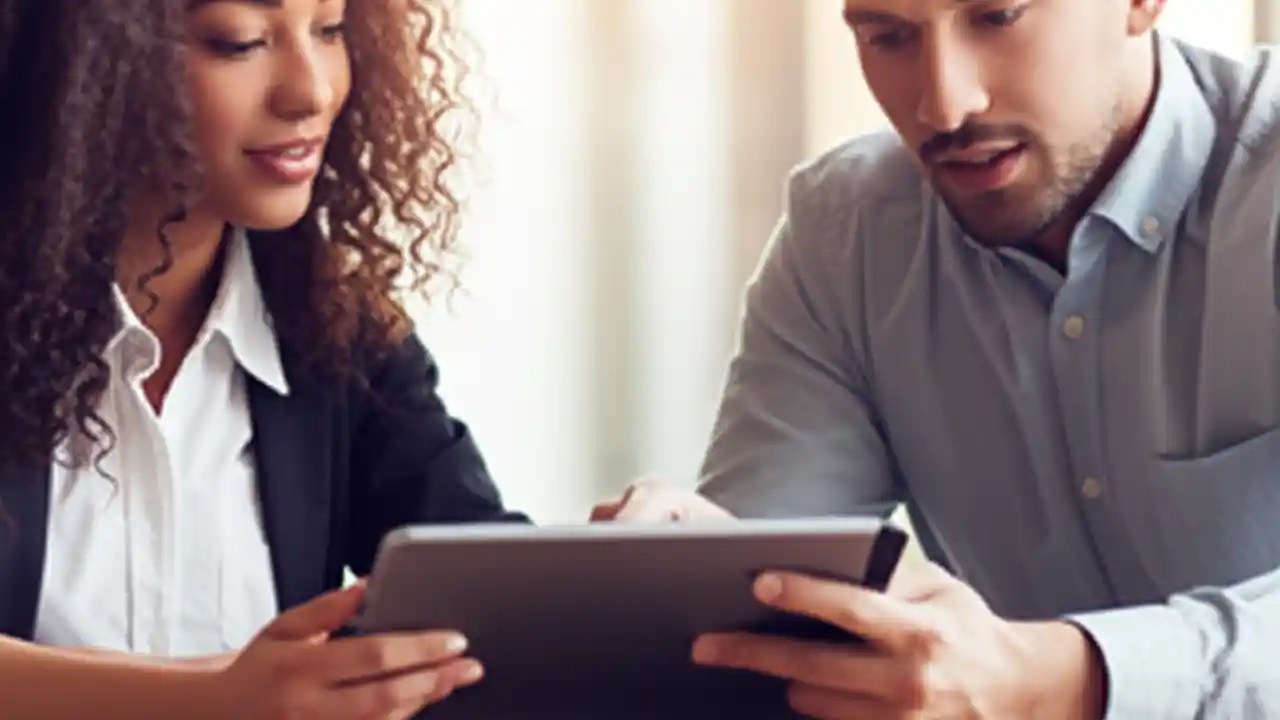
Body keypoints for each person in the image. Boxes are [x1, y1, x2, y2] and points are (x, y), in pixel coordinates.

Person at [595, 0, 1280, 717]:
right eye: (888, 37)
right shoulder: (847, 235)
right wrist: (689, 587)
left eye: (996, 16)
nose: (945, 105)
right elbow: (773, 625)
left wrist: (1066, 677)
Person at [0, 0, 524, 716]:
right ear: (85, 62)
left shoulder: (339, 336)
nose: (310, 91)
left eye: (331, 29)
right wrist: (207, 702)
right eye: (238, 42)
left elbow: (491, 604)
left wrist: (656, 565)